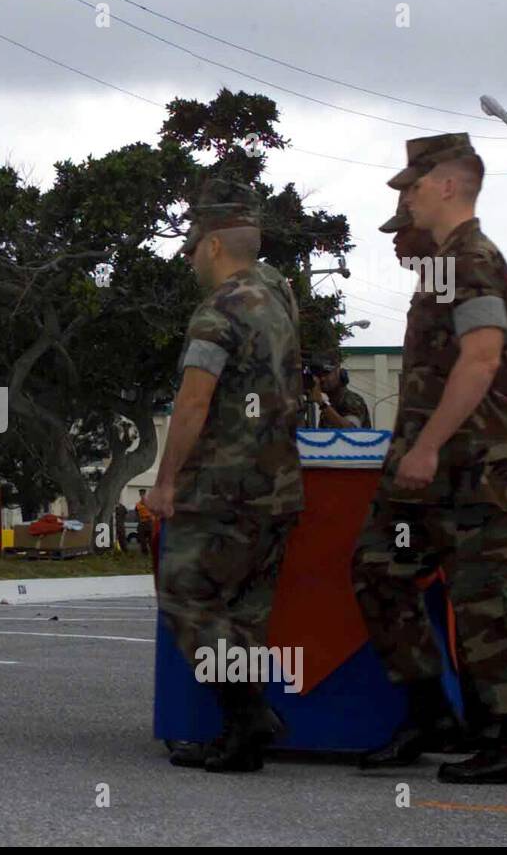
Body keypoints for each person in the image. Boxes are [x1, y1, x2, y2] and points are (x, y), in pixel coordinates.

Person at [352, 133, 507, 784]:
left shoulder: (474, 260)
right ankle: (432, 713)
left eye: (412, 185)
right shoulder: (444, 263)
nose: (405, 197)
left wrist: (430, 445)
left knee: (481, 593)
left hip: (471, 460)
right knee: (378, 567)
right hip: (431, 460)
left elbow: (483, 357)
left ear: (446, 185)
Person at [146, 178, 304, 773]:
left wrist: (165, 484)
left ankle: (248, 718)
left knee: (185, 596)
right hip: (279, 487)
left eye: (190, 247)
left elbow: (193, 404)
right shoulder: (279, 292)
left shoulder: (219, 309)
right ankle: (242, 739)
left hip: (220, 490)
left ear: (213, 246)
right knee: (243, 615)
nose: (189, 259)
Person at [308, 355, 371, 428]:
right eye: (319, 375)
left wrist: (321, 403)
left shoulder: (352, 400)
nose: (322, 379)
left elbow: (351, 431)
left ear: (338, 372)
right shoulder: (329, 406)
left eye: (326, 373)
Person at [134, 490, 153, 556]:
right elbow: (136, 514)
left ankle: (153, 553)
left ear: (145, 495)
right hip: (142, 524)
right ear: (140, 495)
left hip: (150, 523)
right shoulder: (137, 505)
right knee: (142, 540)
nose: (142, 496)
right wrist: (139, 521)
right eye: (141, 494)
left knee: (151, 540)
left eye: (143, 494)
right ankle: (145, 553)